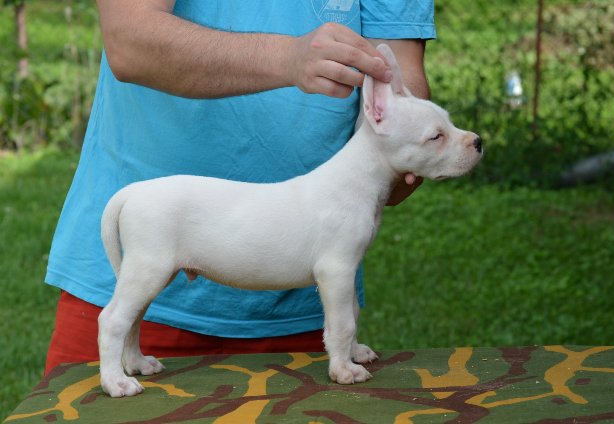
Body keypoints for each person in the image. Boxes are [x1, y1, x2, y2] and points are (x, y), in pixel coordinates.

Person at [44, 0, 436, 375]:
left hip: (299, 312)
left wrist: (405, 144)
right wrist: (288, 58)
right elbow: (129, 42)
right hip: (154, 287)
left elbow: (400, 77)